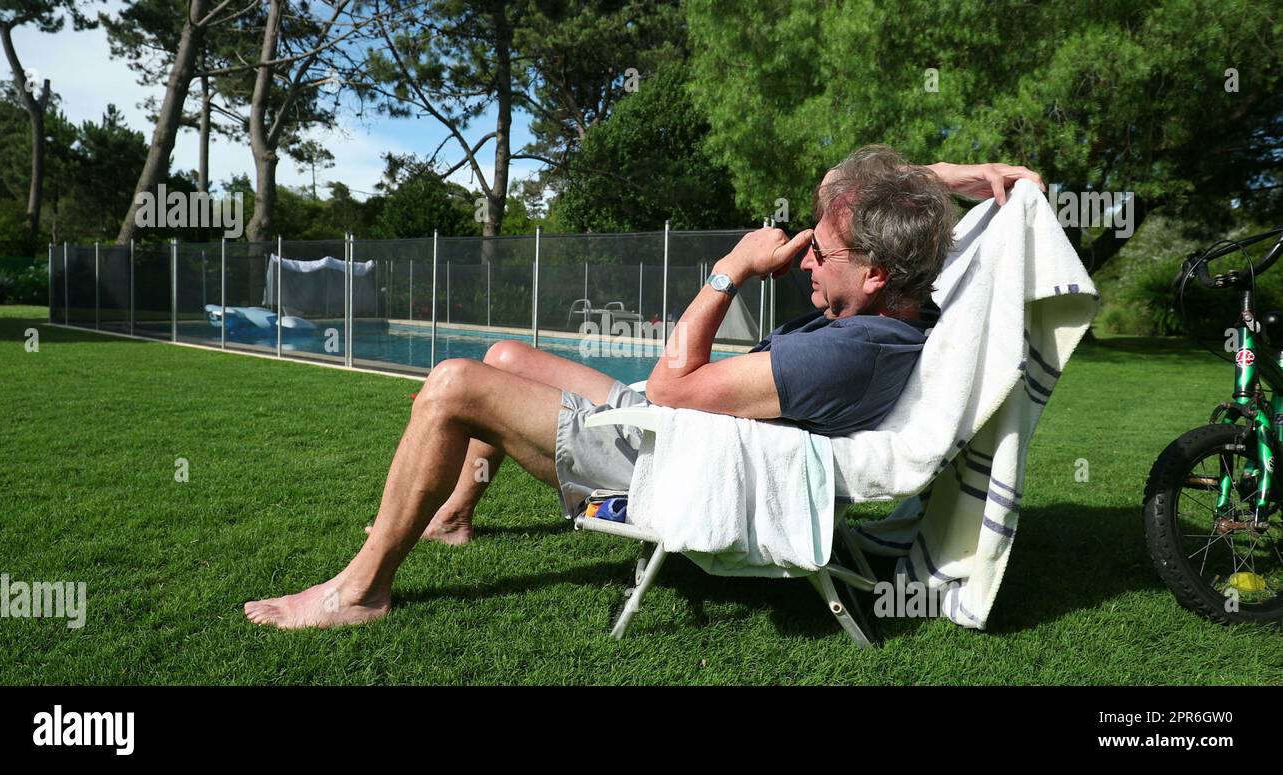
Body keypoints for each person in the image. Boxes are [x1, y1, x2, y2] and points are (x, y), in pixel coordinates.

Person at [244, 145, 1044, 629]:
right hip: (675, 427)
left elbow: (669, 386)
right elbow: (861, 195)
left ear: (873, 273)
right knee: (500, 354)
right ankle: (452, 515)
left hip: (667, 457)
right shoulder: (892, 300)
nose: (802, 258)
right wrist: (951, 177)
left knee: (455, 383)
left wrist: (729, 270)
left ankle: (362, 588)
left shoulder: (850, 354)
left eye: (819, 253)